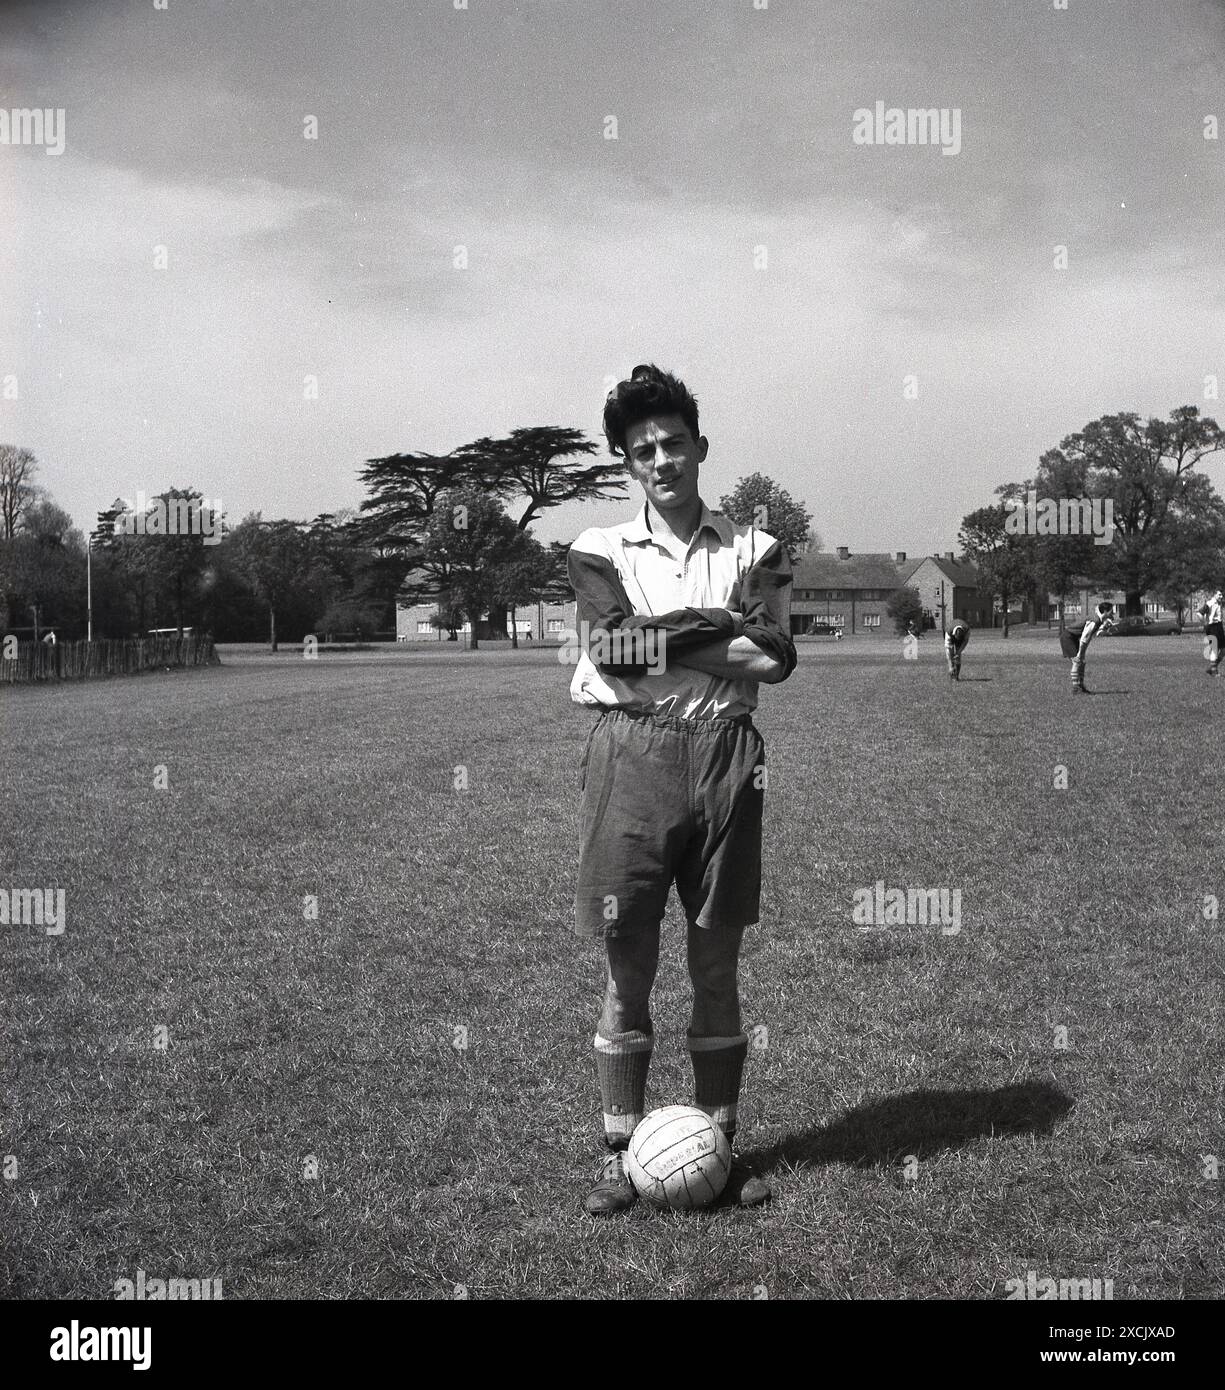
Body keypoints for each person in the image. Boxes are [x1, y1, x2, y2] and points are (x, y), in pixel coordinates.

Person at [567, 364, 796, 1215]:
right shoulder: (596, 550)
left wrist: (656, 636)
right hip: (632, 757)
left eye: (673, 443)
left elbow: (774, 659)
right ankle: (619, 1145)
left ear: (700, 447)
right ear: (627, 466)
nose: (660, 460)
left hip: (729, 759)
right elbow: (612, 653)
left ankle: (720, 1145)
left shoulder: (756, 549)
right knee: (628, 968)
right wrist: (723, 625)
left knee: (714, 964)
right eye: (642, 451)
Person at [1059, 601, 1116, 693]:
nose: (1113, 613)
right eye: (1111, 611)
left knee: (1082, 662)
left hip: (1073, 638)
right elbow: (1084, 638)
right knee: (1077, 661)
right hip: (1068, 637)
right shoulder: (1095, 620)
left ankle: (1081, 686)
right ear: (1105, 611)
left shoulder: (1098, 620)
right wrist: (1081, 653)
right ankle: (1076, 688)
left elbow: (1094, 634)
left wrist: (1103, 628)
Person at [1199, 590, 1224, 676]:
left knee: (1223, 650)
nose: (1221, 596)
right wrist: (1204, 624)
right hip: (1212, 627)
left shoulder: (1219, 603)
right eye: (1219, 595)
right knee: (1215, 649)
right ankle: (1214, 672)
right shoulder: (1210, 603)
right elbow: (1199, 613)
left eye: (1222, 595)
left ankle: (1211, 668)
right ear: (1214, 595)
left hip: (1219, 627)